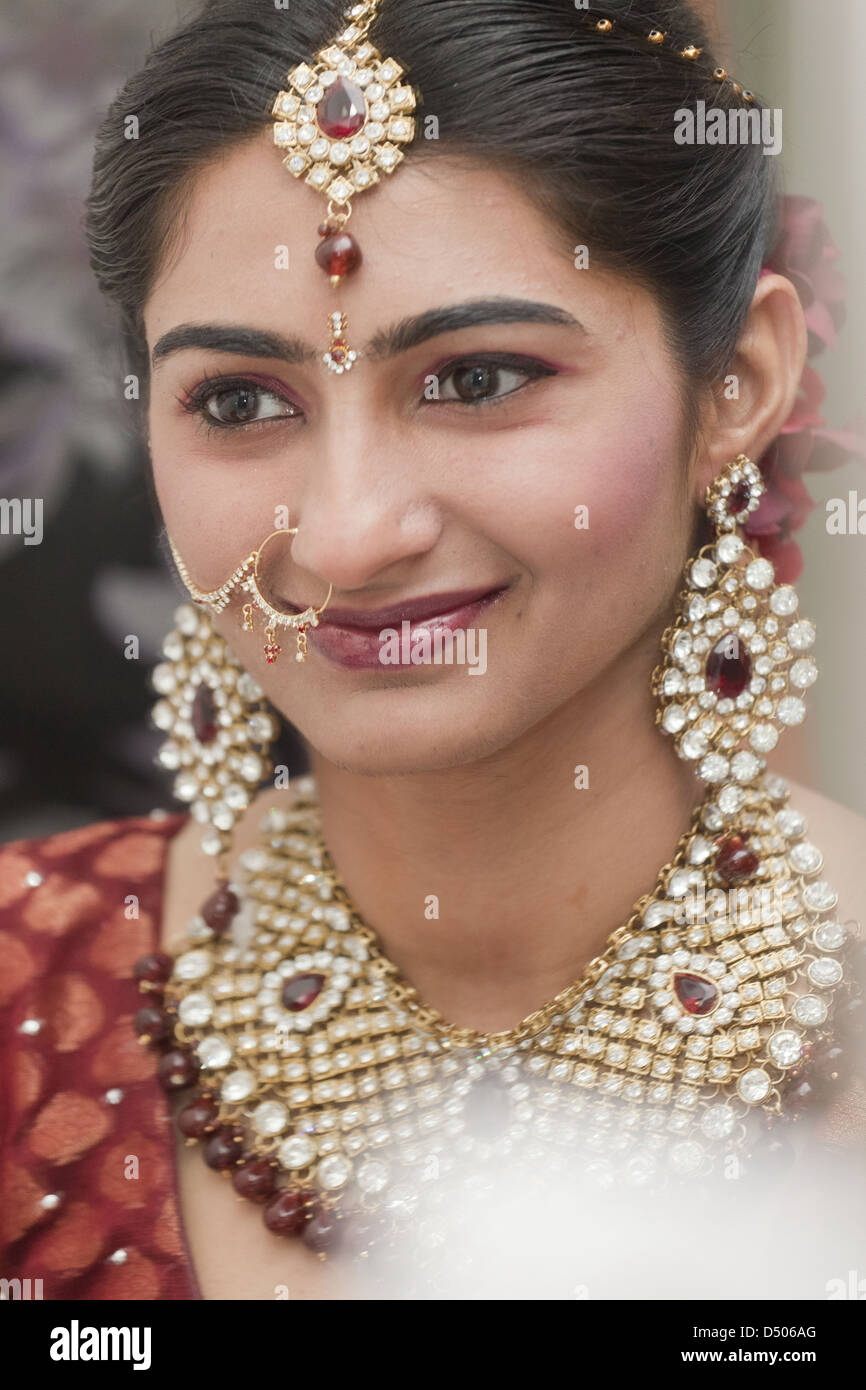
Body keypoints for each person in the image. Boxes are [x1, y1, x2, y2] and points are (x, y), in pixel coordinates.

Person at [2, 0, 864, 1301]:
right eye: (240, 401)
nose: (349, 534)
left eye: (475, 379)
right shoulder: (24, 993)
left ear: (734, 383)